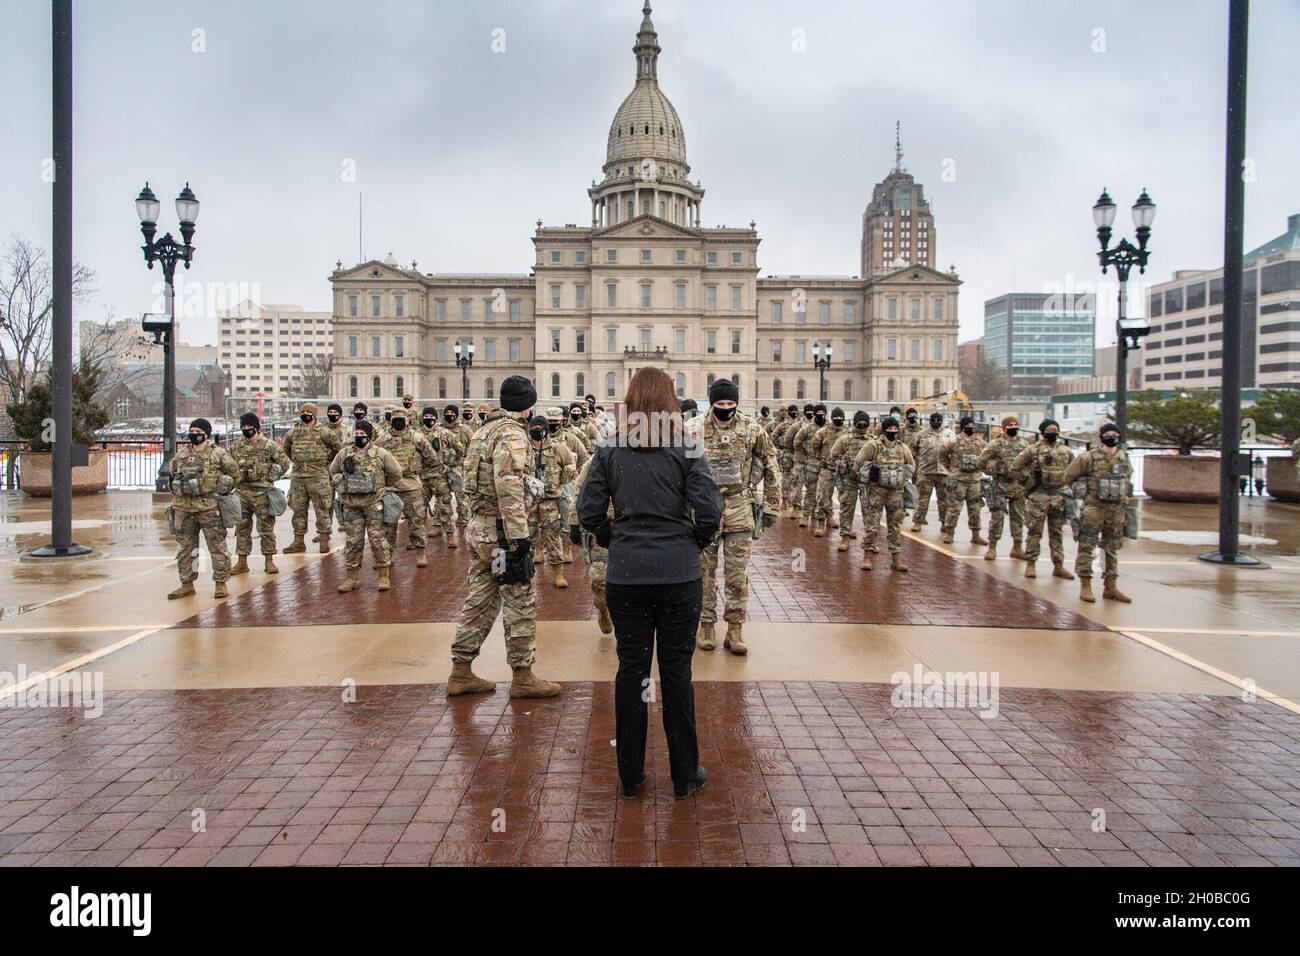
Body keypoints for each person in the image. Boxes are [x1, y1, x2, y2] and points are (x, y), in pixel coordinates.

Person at [578, 367, 719, 800]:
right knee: (677, 673)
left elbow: (588, 512)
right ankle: (684, 774)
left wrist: (614, 538)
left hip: (627, 574)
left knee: (631, 672)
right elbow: (710, 510)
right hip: (678, 573)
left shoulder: (610, 448)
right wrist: (692, 541)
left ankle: (630, 774)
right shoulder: (687, 447)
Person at [447, 375, 560, 699]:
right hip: (502, 534)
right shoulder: (511, 434)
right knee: (520, 601)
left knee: (480, 599)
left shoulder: (483, 431)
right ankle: (523, 677)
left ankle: (460, 671)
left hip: (481, 529)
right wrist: (519, 537)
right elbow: (507, 483)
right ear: (528, 405)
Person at [685, 378, 781, 655]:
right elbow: (677, 468)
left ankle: (735, 629)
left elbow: (772, 464)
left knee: (737, 574)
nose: (725, 408)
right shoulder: (692, 430)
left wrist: (772, 505)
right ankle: (706, 624)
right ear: (711, 403)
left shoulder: (752, 429)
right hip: (704, 510)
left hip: (739, 507)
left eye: (730, 403)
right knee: (704, 572)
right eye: (720, 403)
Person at [166, 418, 241, 599]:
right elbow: (173, 474)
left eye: (198, 432)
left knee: (217, 547)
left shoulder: (218, 454)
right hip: (185, 509)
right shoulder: (182, 455)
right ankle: (187, 583)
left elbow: (235, 474)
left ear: (206, 434)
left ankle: (221, 583)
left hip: (209, 508)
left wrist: (223, 487)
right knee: (187, 549)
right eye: (192, 432)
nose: (194, 435)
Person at [329, 419, 402, 593]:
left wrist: (382, 488)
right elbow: (333, 471)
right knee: (353, 541)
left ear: (369, 435)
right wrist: (342, 484)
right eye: (356, 433)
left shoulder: (380, 454)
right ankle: (352, 578)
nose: (359, 436)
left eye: (362, 434)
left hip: (374, 503)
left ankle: (383, 576)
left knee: (377, 539)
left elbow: (396, 473)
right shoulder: (345, 453)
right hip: (351, 504)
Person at [1064, 422, 1134, 603]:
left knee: (1111, 548)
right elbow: (1069, 476)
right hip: (1094, 509)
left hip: (1116, 510)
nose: (1112, 437)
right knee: (1087, 547)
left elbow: (1128, 476)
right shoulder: (1088, 457)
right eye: (1108, 434)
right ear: (1101, 437)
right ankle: (1085, 585)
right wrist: (1083, 491)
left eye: (1115, 434)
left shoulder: (1123, 457)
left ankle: (1110, 586)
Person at [1013, 418, 1076, 581]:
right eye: (1049, 430)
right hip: (1038, 496)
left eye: (1055, 429)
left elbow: (1074, 471)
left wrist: (1068, 487)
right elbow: (1016, 467)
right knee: (1034, 532)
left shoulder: (1066, 451)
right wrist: (1027, 483)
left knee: (1057, 533)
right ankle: (1031, 563)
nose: (1053, 432)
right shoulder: (1032, 450)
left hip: (1058, 496)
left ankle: (1058, 565)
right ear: (1042, 432)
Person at [229, 412, 290, 576]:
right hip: (242, 493)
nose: (246, 429)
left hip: (262, 493)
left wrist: (273, 475)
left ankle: (269, 560)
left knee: (266, 529)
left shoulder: (269, 445)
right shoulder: (236, 447)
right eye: (244, 427)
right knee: (241, 529)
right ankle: (242, 562)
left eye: (250, 427)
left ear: (257, 428)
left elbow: (284, 463)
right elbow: (228, 466)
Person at [377, 406, 438, 567]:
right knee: (388, 524)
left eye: (401, 419)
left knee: (417, 521)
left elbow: (431, 457)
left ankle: (420, 553)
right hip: (391, 488)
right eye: (395, 419)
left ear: (408, 420)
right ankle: (388, 555)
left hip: (411, 486)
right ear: (390, 421)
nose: (398, 422)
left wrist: (418, 469)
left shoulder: (416, 438)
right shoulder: (382, 440)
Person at [853, 416, 915, 571]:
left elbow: (911, 466)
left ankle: (896, 558)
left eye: (895, 429)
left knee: (895, 525)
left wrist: (902, 480)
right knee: (872, 525)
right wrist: (868, 475)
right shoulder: (873, 446)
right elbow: (858, 462)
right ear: (884, 430)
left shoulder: (902, 448)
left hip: (895, 493)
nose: (893, 431)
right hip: (876, 491)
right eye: (890, 428)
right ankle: (867, 556)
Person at [282, 402, 341, 554]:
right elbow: (286, 448)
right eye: (303, 412)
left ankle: (324, 539)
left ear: (314, 415)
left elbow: (337, 449)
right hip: (298, 477)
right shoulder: (293, 432)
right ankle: (298, 541)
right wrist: (299, 462)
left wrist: (327, 465)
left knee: (322, 509)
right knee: (298, 510)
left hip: (318, 476)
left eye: (309, 412)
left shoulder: (324, 432)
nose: (305, 415)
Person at [527, 412, 576, 588]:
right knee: (528, 537)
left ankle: (558, 574)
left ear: (546, 430)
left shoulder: (558, 448)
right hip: (530, 501)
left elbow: (570, 466)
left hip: (550, 500)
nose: (537, 430)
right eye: (533, 427)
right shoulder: (524, 448)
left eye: (540, 427)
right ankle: (527, 574)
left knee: (553, 536)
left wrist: (560, 482)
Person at [979, 415, 1030, 561]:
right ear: (1004, 428)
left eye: (1016, 425)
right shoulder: (995, 444)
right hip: (1000, 485)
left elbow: (1031, 462)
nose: (1013, 428)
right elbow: (981, 461)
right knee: (997, 517)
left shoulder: (1024, 445)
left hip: (1018, 486)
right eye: (1010, 425)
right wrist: (992, 470)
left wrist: (1026, 475)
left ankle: (1017, 547)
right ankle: (992, 548)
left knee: (1018, 518)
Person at [827, 410, 873, 551]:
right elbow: (833, 455)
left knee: (869, 511)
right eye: (859, 423)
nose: (862, 427)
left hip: (866, 481)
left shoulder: (873, 441)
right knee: (847, 508)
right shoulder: (844, 439)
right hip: (849, 480)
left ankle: (870, 542)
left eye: (865, 424)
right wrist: (840, 467)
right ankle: (845, 538)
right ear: (854, 423)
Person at [941, 416, 987, 545]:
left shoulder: (979, 442)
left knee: (975, 509)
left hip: (974, 480)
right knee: (954, 508)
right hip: (958, 480)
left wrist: (981, 467)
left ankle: (976, 535)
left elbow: (986, 455)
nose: (971, 428)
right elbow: (942, 454)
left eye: (972, 426)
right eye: (968, 426)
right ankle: (949, 534)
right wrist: (950, 468)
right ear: (962, 427)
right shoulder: (954, 441)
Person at [419, 406, 458, 548]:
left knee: (444, 506)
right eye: (426, 416)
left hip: (439, 475)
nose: (428, 419)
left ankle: (450, 536)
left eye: (431, 416)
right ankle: (417, 538)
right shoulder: (416, 435)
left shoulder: (445, 433)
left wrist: (450, 459)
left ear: (436, 418)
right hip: (422, 477)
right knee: (418, 508)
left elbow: (459, 449)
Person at [911, 412, 950, 531]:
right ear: (930, 421)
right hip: (926, 472)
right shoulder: (921, 434)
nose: (936, 422)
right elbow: (913, 448)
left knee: (944, 501)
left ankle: (944, 523)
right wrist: (922, 459)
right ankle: (918, 522)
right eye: (933, 420)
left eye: (938, 420)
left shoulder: (949, 434)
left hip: (943, 472)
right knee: (922, 499)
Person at [810, 407, 845, 537]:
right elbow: (814, 448)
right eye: (836, 417)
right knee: (823, 496)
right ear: (832, 418)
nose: (838, 419)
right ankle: (821, 524)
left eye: (840, 417)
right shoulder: (822, 432)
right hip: (827, 469)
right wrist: (823, 459)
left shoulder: (847, 433)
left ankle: (843, 526)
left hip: (842, 471)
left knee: (846, 499)